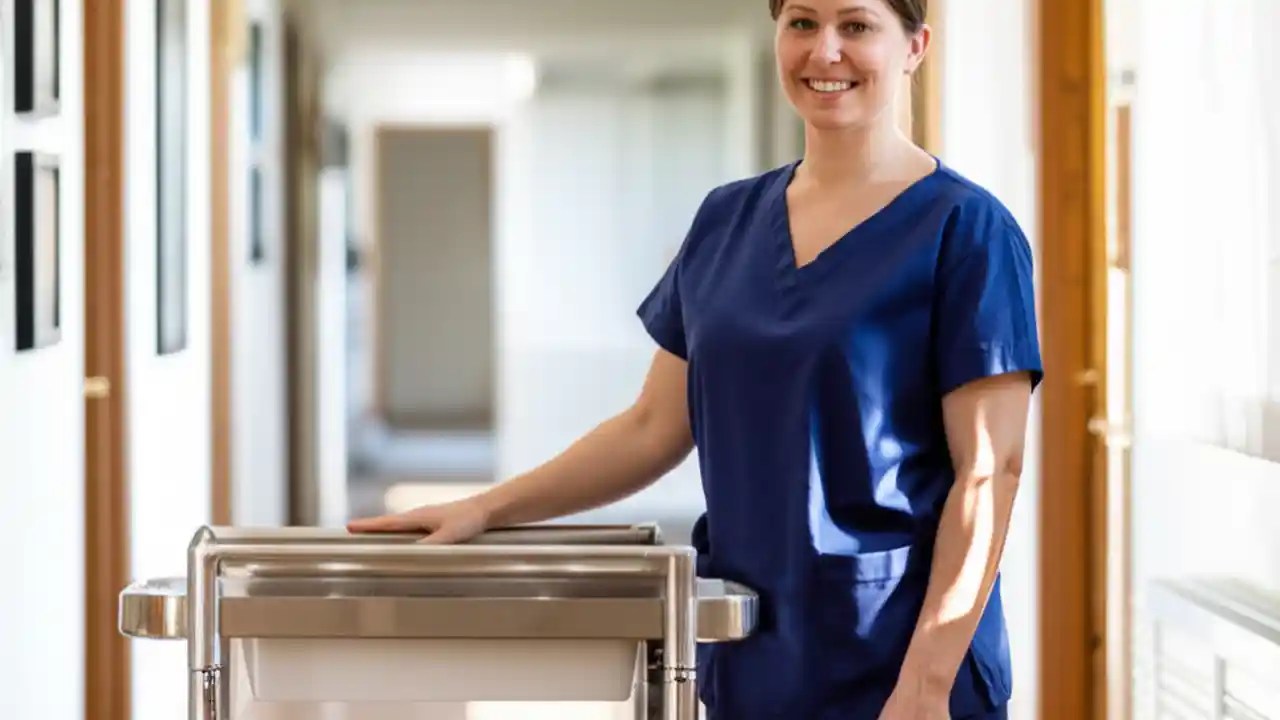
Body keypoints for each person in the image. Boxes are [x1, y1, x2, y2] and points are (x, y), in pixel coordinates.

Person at [349, 0, 1043, 716]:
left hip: (900, 657)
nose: (824, 51)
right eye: (801, 22)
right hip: (755, 646)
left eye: (857, 25)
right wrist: (485, 507)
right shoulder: (727, 221)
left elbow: (990, 471)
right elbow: (652, 426)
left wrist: (927, 684)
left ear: (915, 47)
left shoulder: (967, 230)